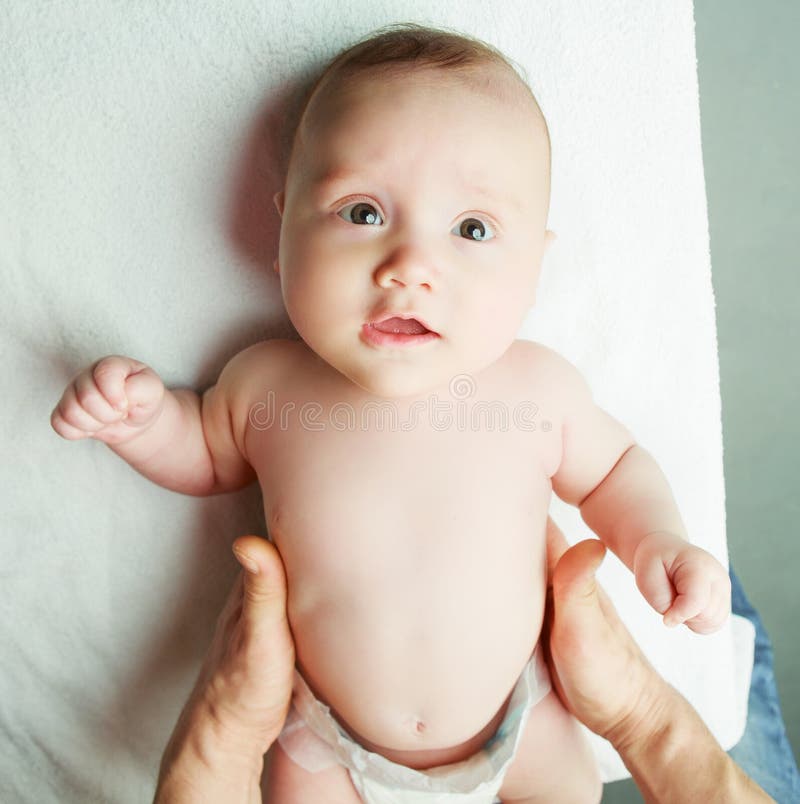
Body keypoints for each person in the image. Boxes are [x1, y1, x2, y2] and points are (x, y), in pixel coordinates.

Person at [52, 23, 733, 802]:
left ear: (535, 267)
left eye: (472, 229)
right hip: (325, 737)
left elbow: (614, 468)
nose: (410, 267)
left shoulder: (536, 391)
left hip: (525, 710)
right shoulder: (268, 385)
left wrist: (656, 539)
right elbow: (203, 453)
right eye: (363, 213)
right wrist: (139, 423)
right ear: (282, 233)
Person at [154, 524, 774, 803]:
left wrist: (225, 739)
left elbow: (211, 441)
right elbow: (611, 463)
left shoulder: (268, 386)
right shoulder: (536, 387)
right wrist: (644, 717)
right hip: (519, 711)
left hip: (324, 736)